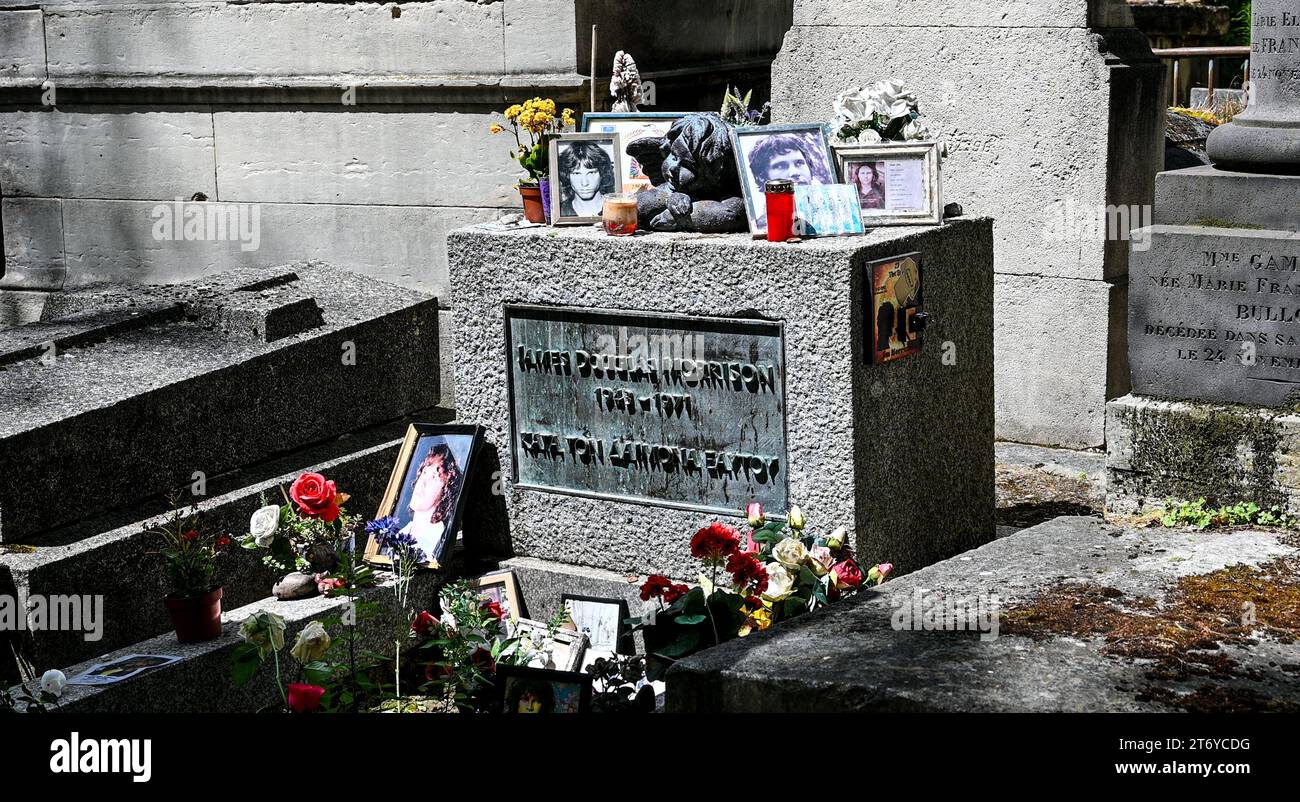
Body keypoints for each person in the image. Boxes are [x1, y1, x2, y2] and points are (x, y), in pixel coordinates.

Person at [398, 442, 463, 565]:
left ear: (445, 489)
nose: (422, 483)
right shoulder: (401, 534)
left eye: (434, 477)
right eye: (425, 472)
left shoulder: (435, 539)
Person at [747, 133, 824, 226]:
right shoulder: (763, 226)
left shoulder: (830, 217)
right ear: (762, 176)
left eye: (799, 163)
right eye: (781, 166)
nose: (794, 172)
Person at [558, 141, 617, 218]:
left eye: (591, 173)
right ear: (566, 176)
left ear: (602, 173)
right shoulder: (559, 212)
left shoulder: (617, 209)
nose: (584, 183)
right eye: (576, 174)